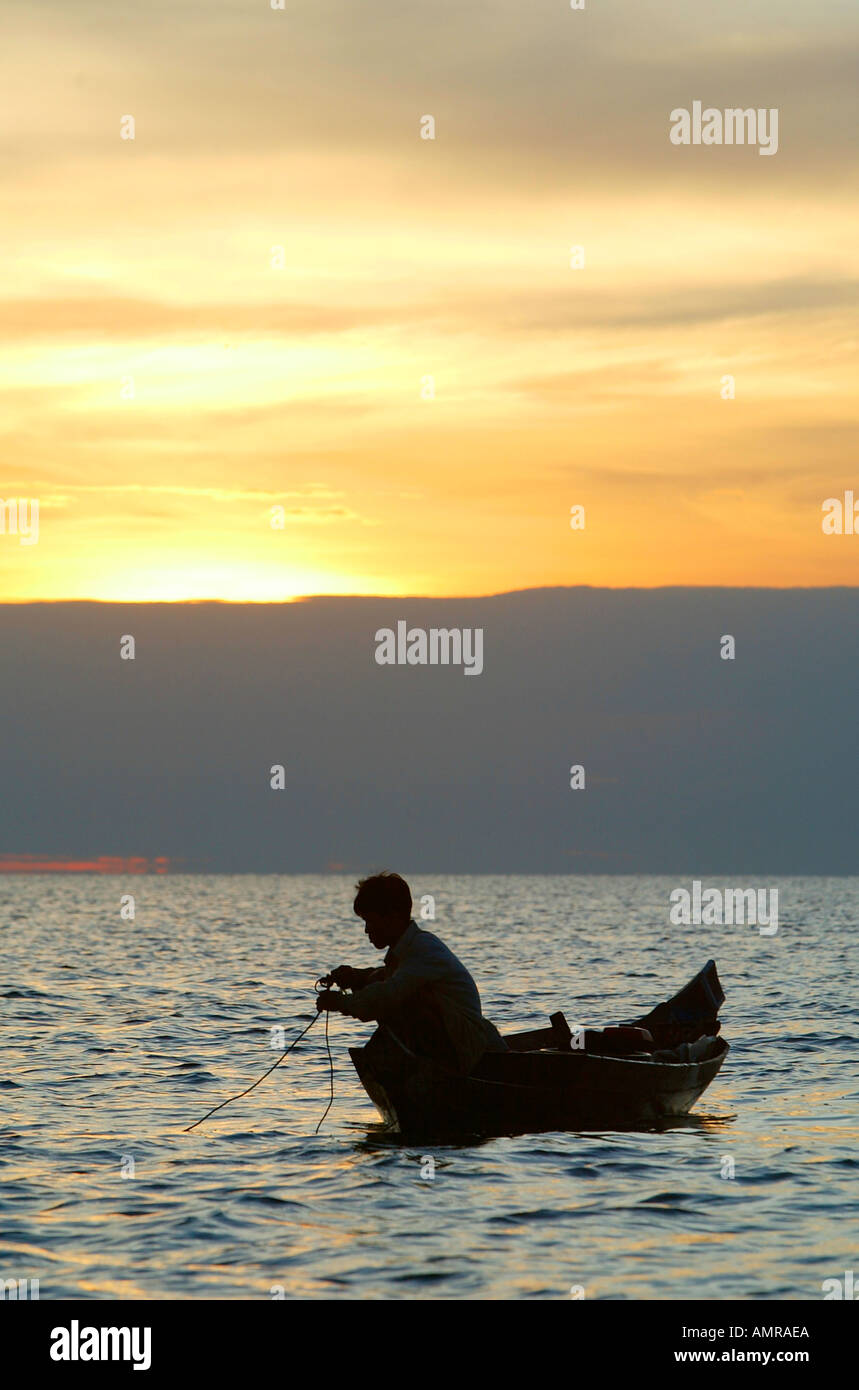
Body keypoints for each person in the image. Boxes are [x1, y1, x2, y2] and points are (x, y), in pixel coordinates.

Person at [315, 871, 507, 1074]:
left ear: (393, 917)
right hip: (459, 1041)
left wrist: (341, 1003)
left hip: (467, 1047)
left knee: (405, 1001)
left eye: (370, 921)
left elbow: (389, 993)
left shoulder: (423, 949)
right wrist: (356, 976)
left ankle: (433, 1077)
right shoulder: (408, 951)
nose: (366, 930)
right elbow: (385, 978)